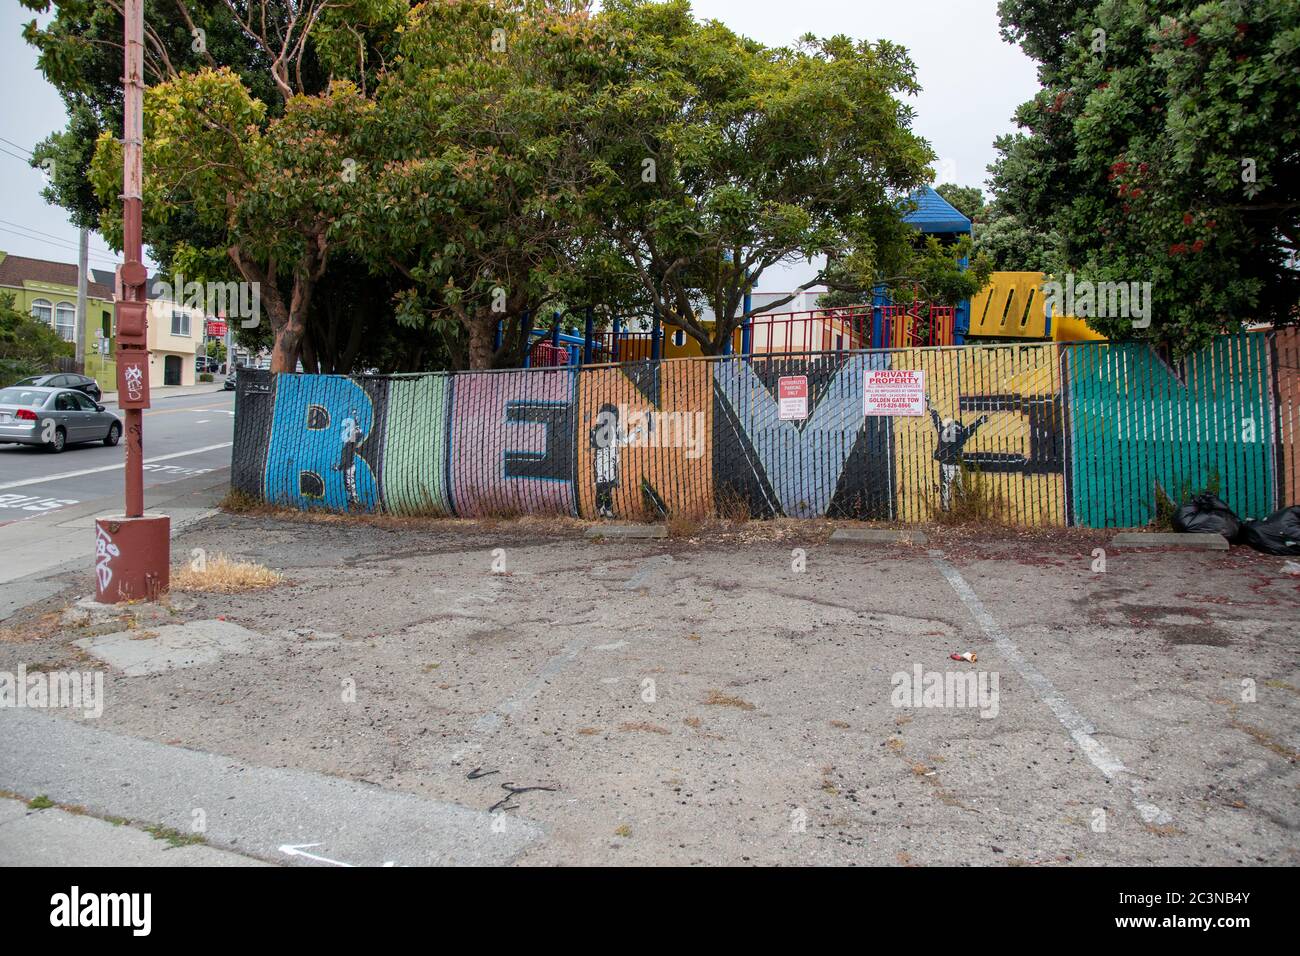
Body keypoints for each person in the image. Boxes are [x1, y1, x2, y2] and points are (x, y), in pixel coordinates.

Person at [927, 397, 988, 511]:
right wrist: (979, 421)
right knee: (955, 486)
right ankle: (959, 507)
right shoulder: (959, 433)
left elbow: (937, 419)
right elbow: (969, 429)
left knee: (950, 485)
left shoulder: (945, 431)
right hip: (953, 463)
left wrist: (931, 407)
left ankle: (950, 507)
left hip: (948, 462)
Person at [590, 403, 646, 518]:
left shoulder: (615, 428)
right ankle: (601, 508)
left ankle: (607, 509)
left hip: (610, 460)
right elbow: (594, 444)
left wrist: (636, 431)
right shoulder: (597, 429)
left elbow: (625, 441)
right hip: (601, 459)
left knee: (608, 486)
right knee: (602, 486)